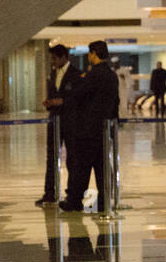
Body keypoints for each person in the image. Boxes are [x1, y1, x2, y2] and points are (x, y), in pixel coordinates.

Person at [46, 40, 119, 213]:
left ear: (94, 54)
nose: (88, 56)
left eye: (89, 53)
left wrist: (62, 102)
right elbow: (115, 102)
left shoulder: (92, 75)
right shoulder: (111, 75)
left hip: (87, 129)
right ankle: (103, 202)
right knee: (102, 168)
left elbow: (78, 96)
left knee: (81, 168)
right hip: (103, 128)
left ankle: (74, 201)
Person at [35, 44, 75, 206]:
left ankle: (72, 193)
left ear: (63, 57)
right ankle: (49, 192)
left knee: (72, 159)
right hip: (54, 120)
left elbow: (77, 98)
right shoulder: (53, 74)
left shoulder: (75, 74)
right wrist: (50, 103)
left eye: (54, 58)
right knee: (51, 157)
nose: (52, 61)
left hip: (70, 121)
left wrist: (63, 101)